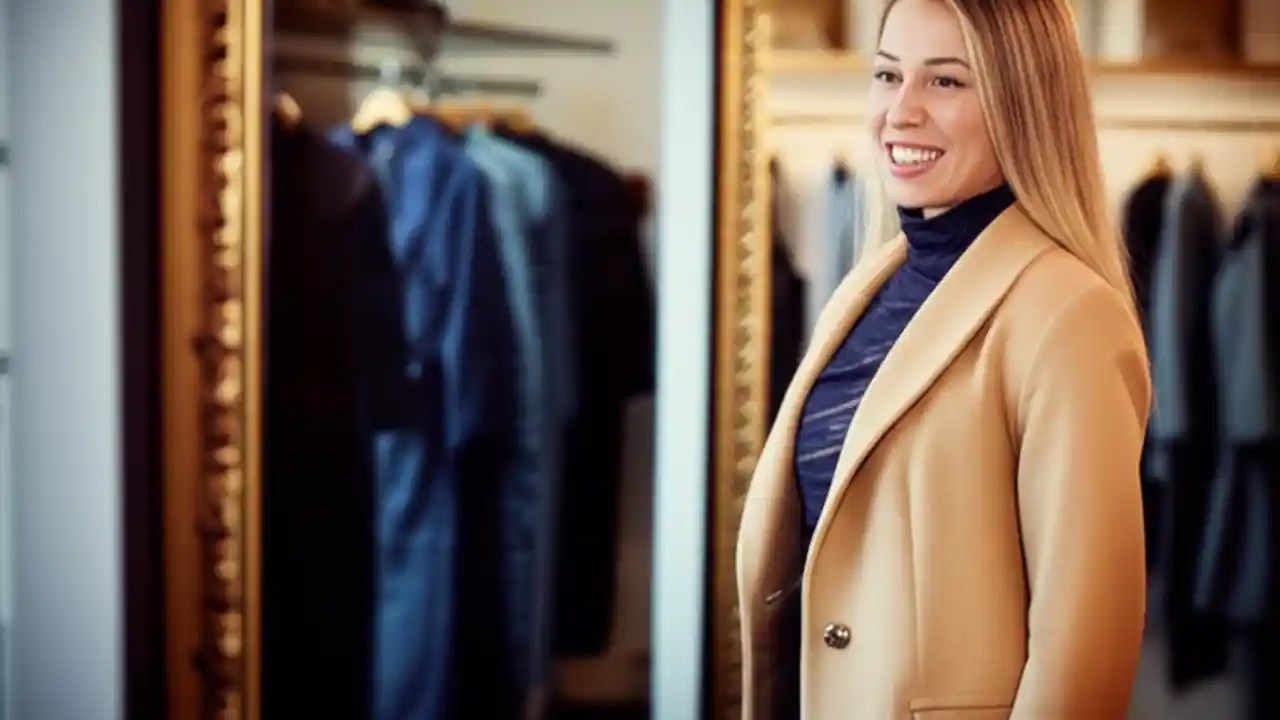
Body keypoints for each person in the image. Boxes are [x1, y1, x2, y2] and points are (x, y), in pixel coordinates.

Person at [735, 0, 1152, 717]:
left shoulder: (1068, 316)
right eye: (888, 75)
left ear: (1023, 104)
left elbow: (1083, 648)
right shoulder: (868, 289)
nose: (901, 111)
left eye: (947, 82)